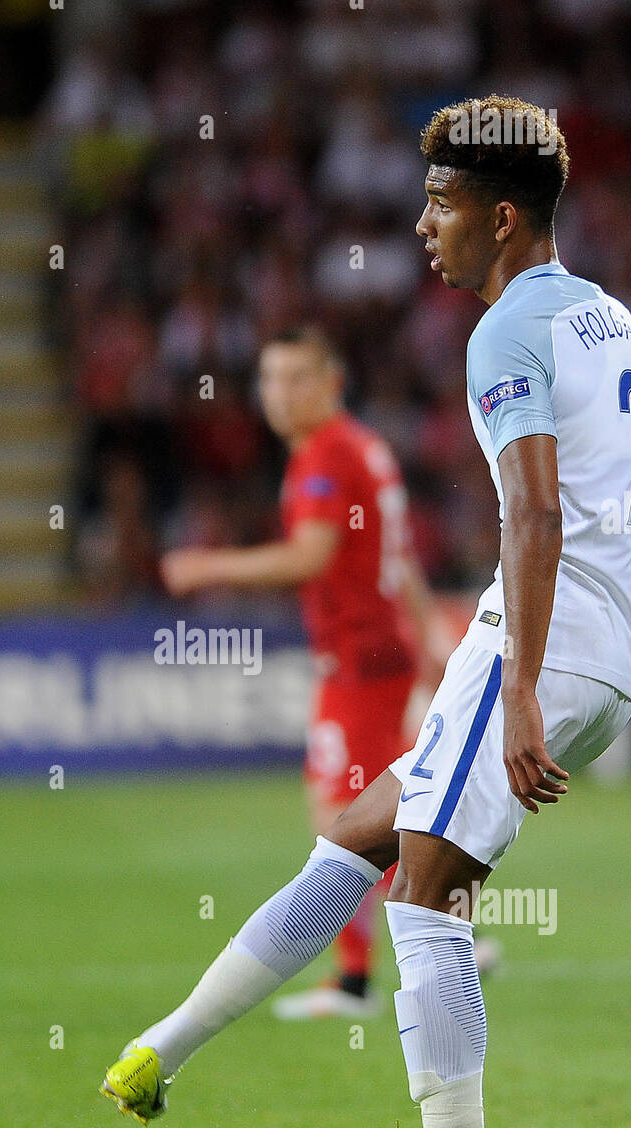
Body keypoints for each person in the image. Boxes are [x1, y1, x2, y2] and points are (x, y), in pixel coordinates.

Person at [101, 95, 631, 1128]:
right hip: (599, 659)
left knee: (423, 897)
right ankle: (161, 1048)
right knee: (357, 836)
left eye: (442, 202)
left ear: (505, 215)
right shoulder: (622, 330)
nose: (423, 224)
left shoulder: (504, 334)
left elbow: (532, 511)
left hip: (540, 645)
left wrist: (518, 688)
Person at [161, 326, 457, 1018]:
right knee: (389, 813)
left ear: (331, 382)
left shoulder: (327, 453)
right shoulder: (363, 447)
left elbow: (310, 556)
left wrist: (209, 566)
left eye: (297, 378)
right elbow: (401, 554)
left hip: (360, 659)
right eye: (270, 378)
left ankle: (360, 978)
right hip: (377, 652)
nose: (280, 394)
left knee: (343, 816)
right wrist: (427, 635)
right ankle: (450, 928)